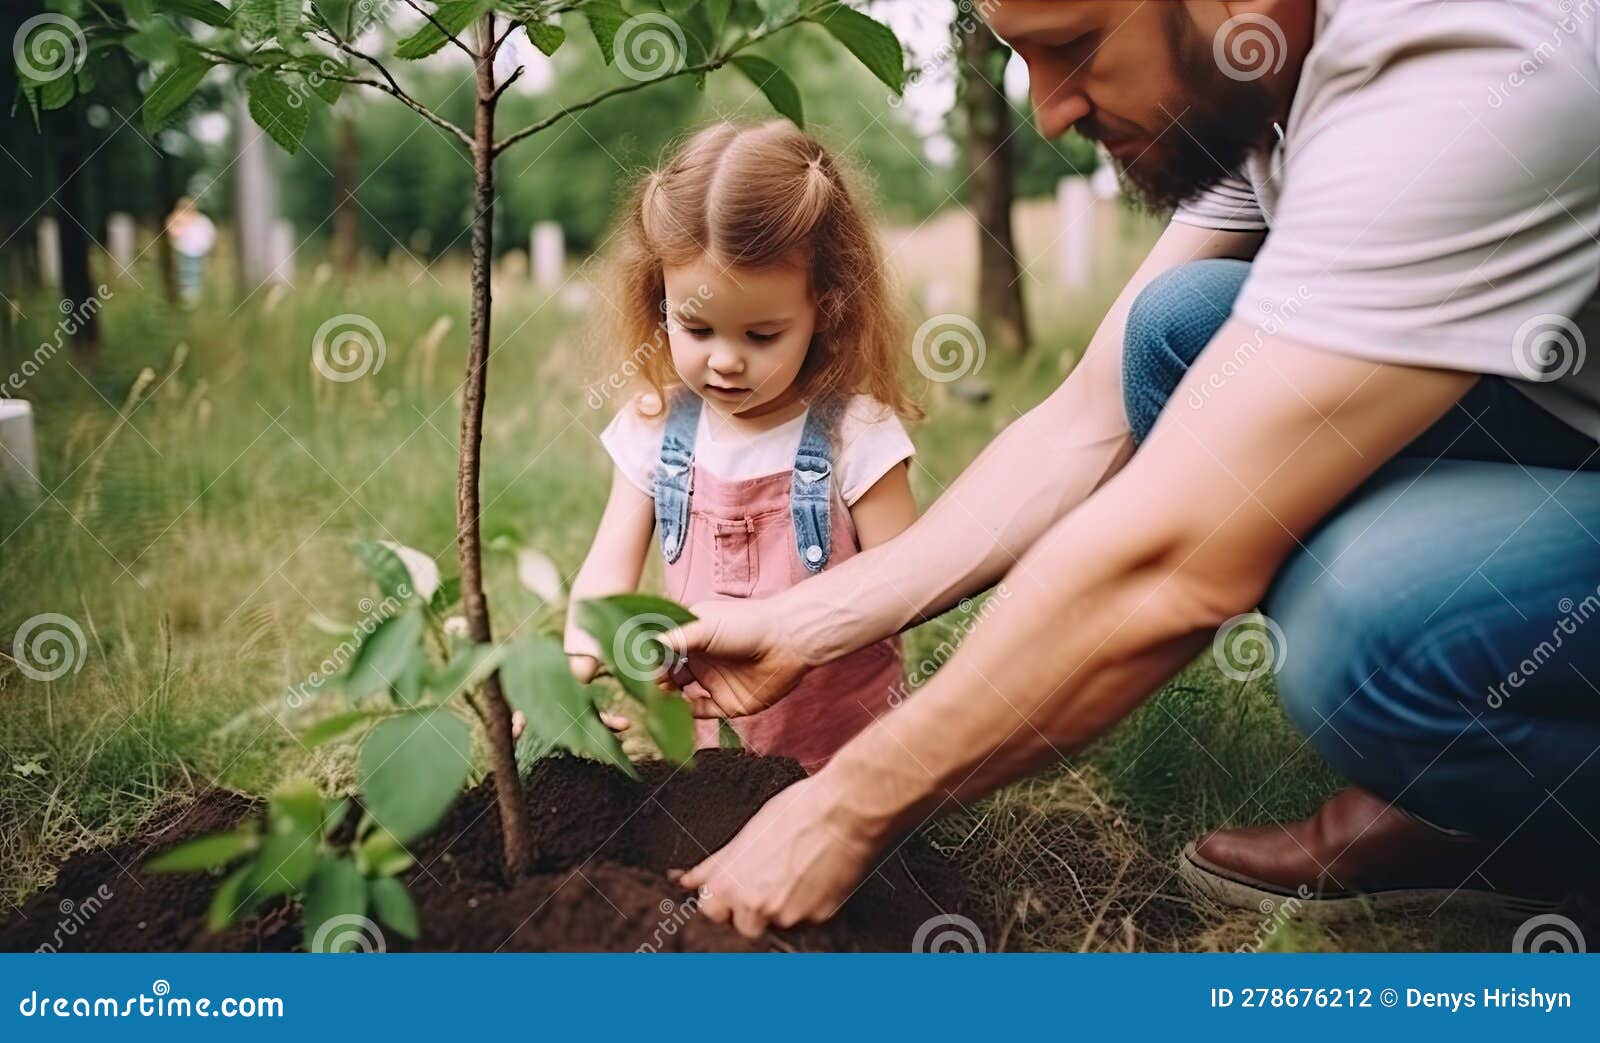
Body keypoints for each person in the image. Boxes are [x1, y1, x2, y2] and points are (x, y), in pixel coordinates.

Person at [662, 0, 1600, 938]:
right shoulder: (1266, 76)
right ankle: (1470, 778)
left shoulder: (1467, 74)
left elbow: (1173, 562)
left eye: (1072, 47)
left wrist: (847, 808)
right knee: (1182, 330)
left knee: (1377, 631)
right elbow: (1088, 419)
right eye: (1020, 56)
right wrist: (801, 622)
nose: (1049, 109)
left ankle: (1490, 779)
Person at [512, 121, 920, 770]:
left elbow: (911, 583)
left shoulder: (857, 436)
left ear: (827, 308)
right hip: (717, 757)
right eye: (696, 327)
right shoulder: (656, 430)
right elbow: (607, 573)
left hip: (852, 755)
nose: (726, 361)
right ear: (658, 302)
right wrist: (565, 680)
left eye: (762, 335)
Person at [165, 196, 215, 307]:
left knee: (197, 277)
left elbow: (210, 235)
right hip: (184, 254)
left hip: (199, 254)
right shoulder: (177, 219)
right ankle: (186, 302)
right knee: (185, 277)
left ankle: (195, 302)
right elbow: (173, 233)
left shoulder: (202, 220)